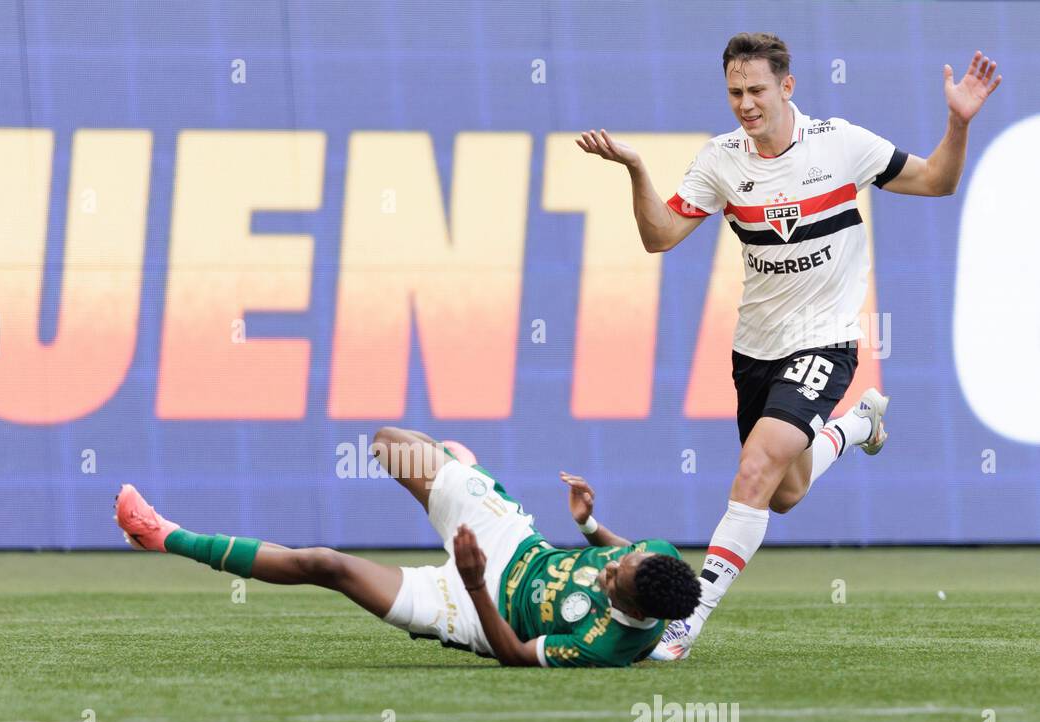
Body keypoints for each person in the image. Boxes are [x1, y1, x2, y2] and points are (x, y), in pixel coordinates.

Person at [577, 32, 1001, 659]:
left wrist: (957, 122)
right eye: (734, 93)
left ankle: (686, 622)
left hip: (825, 342)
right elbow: (659, 237)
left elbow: (937, 181)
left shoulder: (842, 144)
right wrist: (638, 170)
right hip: (756, 349)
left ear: (787, 86)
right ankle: (858, 426)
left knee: (754, 470)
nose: (745, 104)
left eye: (755, 90)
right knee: (785, 492)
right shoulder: (721, 160)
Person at [114, 428, 701, 668]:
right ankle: (465, 474)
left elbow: (515, 656)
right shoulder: (652, 557)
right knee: (391, 445)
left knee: (327, 565)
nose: (614, 564)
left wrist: (473, 582)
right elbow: (624, 547)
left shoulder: (609, 647)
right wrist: (592, 525)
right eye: (627, 558)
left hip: (471, 609)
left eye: (614, 575)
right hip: (513, 542)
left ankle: (162, 536)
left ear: (635, 608)